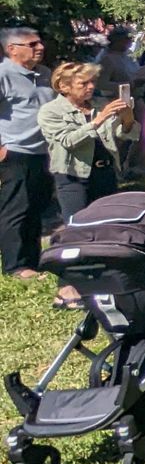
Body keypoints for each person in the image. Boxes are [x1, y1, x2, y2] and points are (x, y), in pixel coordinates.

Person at [37, 61, 133, 220]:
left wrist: (127, 119)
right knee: (78, 226)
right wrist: (99, 120)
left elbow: (121, 134)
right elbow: (68, 141)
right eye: (84, 83)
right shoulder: (50, 111)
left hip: (105, 173)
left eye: (93, 81)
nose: (91, 87)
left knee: (108, 224)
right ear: (64, 86)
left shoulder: (100, 105)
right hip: (73, 176)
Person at [0, 27, 56, 278]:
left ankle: (32, 261)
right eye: (32, 44)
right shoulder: (4, 74)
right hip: (15, 152)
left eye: (40, 42)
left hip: (43, 152)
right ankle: (15, 265)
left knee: (36, 207)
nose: (40, 48)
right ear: (12, 49)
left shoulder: (44, 74)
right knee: (17, 209)